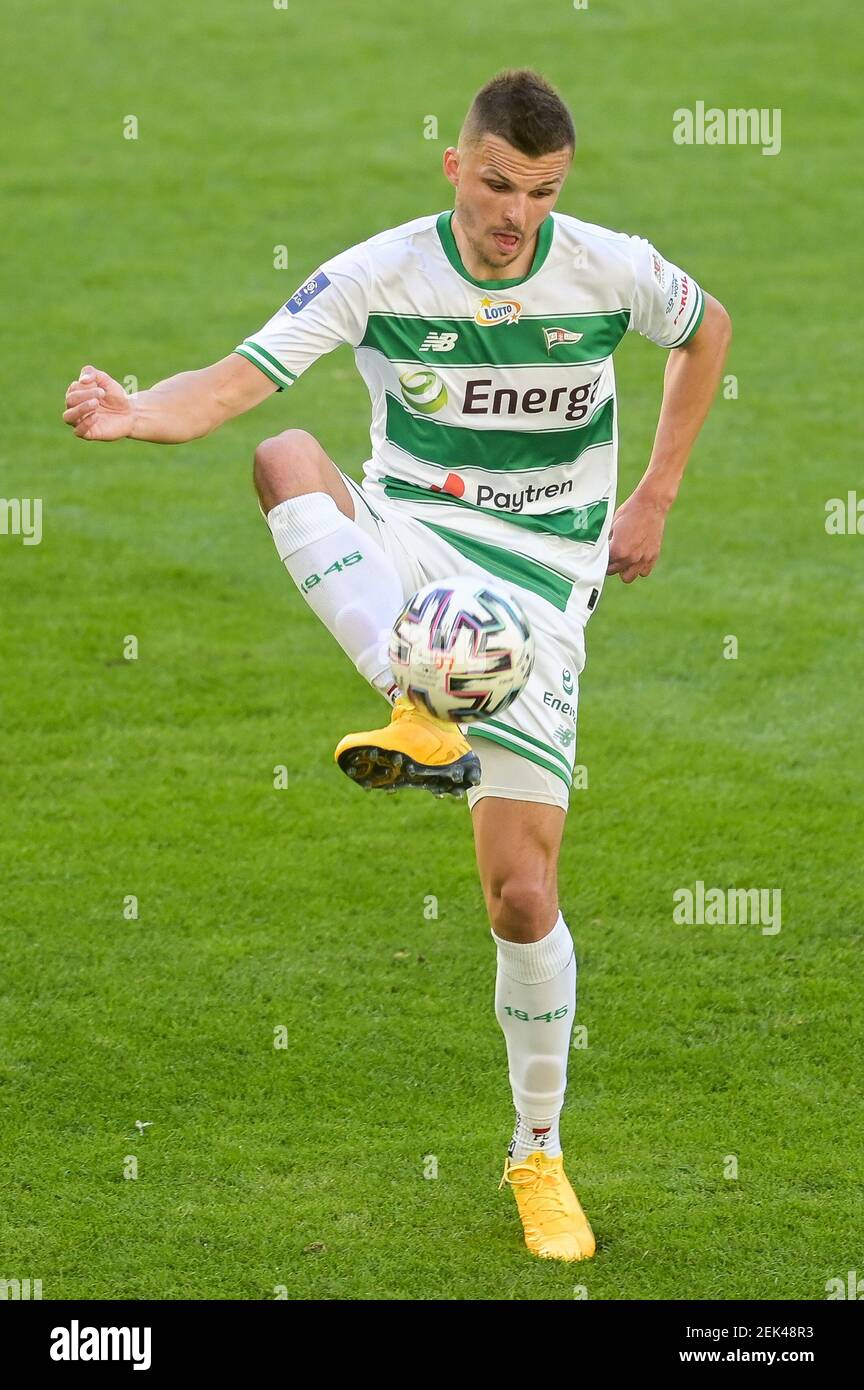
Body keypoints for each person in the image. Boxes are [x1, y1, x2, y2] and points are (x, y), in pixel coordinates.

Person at [63, 68, 731, 1262]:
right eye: (495, 184)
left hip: (539, 585)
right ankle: (420, 702)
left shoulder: (605, 267)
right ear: (453, 167)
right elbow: (235, 385)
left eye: (540, 191)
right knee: (286, 455)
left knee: (520, 895)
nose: (515, 214)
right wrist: (137, 413)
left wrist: (657, 495)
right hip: (416, 540)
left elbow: (706, 325)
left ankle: (537, 1151)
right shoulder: (379, 272)